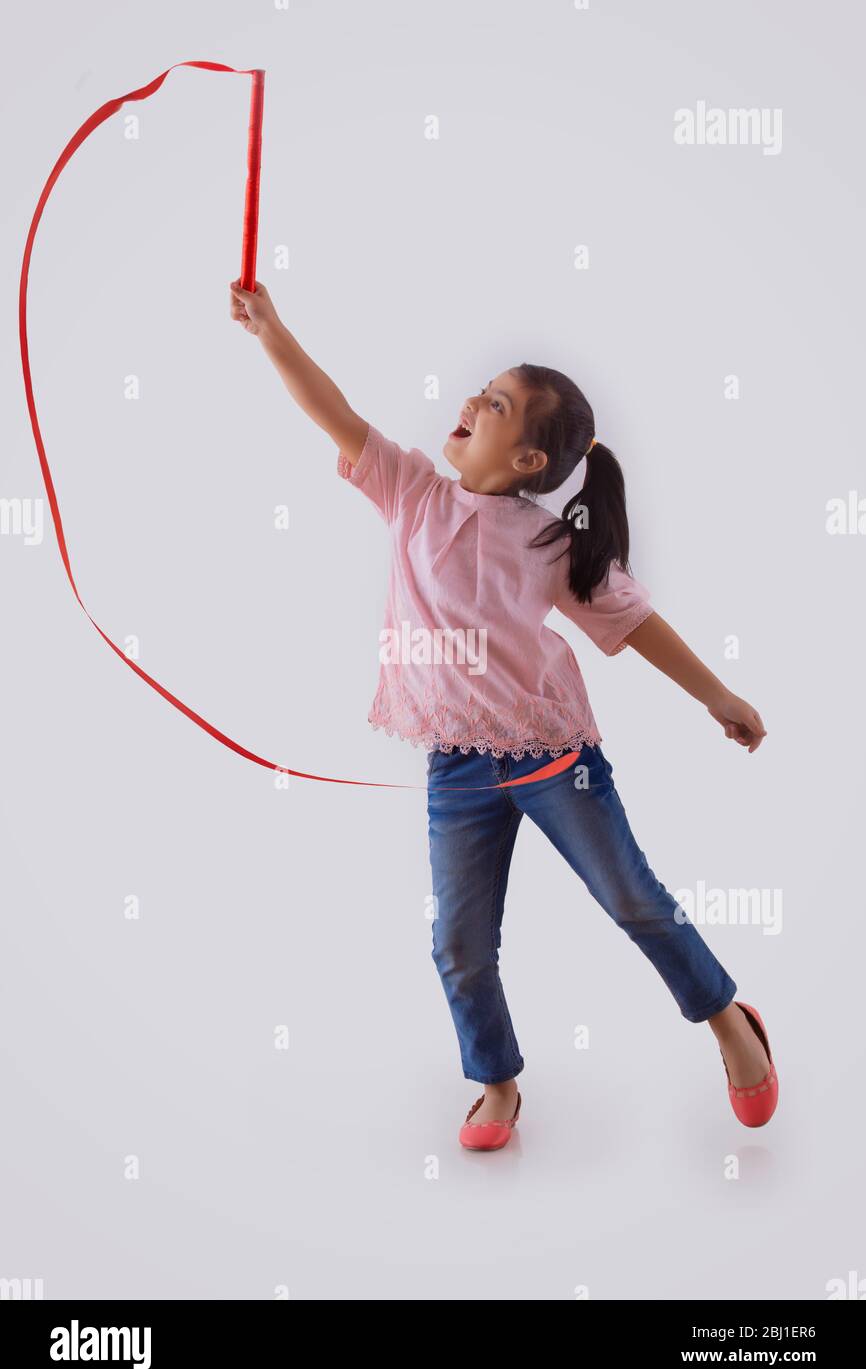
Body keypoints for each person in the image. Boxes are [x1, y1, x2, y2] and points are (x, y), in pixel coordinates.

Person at [229, 278, 779, 1151]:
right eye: (481, 393)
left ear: (528, 461)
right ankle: (496, 1082)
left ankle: (730, 1024)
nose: (469, 404)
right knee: (459, 941)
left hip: (554, 756)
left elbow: (635, 623)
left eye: (493, 405)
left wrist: (718, 695)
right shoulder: (411, 494)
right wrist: (272, 331)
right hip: (457, 765)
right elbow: (330, 408)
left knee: (633, 899)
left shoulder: (552, 542)